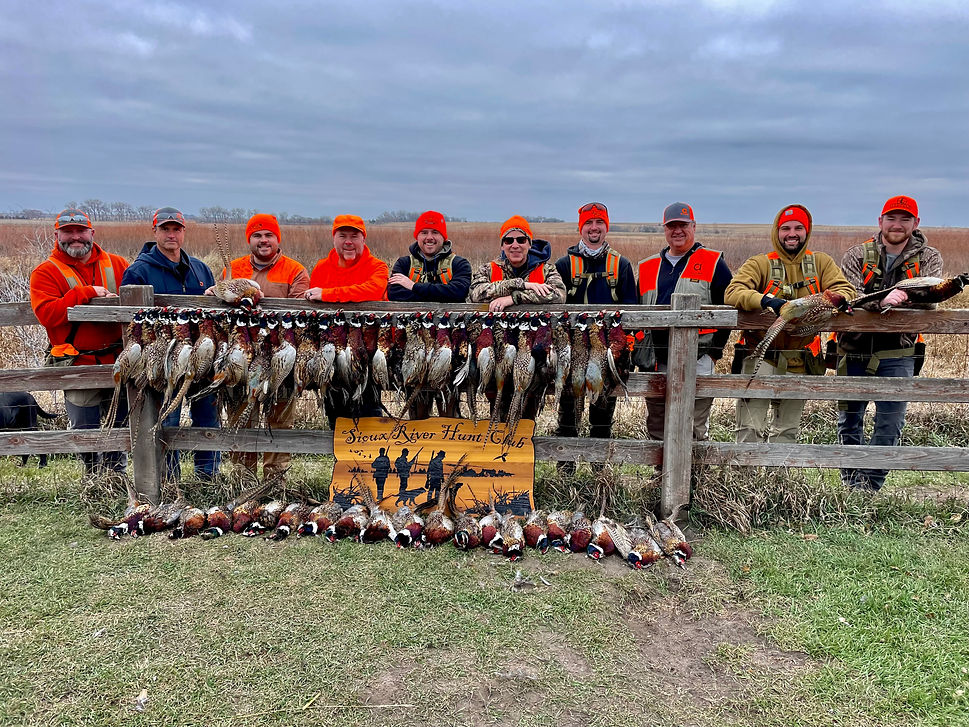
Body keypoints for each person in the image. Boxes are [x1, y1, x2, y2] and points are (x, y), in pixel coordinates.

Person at [836, 196, 942, 491]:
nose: (897, 225)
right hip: (852, 351)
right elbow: (850, 296)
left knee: (890, 423)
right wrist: (881, 300)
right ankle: (851, 484)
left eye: (905, 219)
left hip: (899, 352)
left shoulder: (929, 257)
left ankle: (870, 487)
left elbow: (933, 296)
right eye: (891, 218)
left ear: (916, 223)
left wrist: (906, 296)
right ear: (880, 221)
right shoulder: (856, 255)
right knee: (849, 419)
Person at [725, 204, 855, 443]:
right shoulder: (760, 263)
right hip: (761, 354)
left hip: (801, 356)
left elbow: (845, 290)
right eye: (785, 228)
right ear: (777, 232)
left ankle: (779, 479)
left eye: (798, 227)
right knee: (749, 428)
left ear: (807, 232)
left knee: (787, 431)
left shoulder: (821, 263)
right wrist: (768, 302)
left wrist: (820, 304)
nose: (792, 233)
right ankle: (745, 478)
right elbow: (733, 292)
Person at [121, 207, 219, 482]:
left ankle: (208, 479)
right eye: (165, 229)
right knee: (168, 422)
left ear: (184, 232)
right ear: (155, 232)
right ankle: (169, 482)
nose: (171, 235)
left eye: (177, 229)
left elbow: (213, 313)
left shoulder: (200, 269)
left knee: (208, 419)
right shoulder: (139, 271)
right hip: (164, 362)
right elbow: (131, 323)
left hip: (201, 358)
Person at [209, 213, 310, 482]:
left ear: (278, 239)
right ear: (249, 240)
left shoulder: (295, 270)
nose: (263, 240)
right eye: (257, 235)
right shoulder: (234, 268)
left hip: (279, 356)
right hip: (241, 354)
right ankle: (243, 481)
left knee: (280, 421)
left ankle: (275, 482)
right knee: (241, 416)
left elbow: (300, 315)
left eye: (269, 235)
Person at [29, 208, 129, 475]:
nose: (75, 237)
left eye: (81, 231)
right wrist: (86, 293)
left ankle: (116, 480)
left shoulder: (119, 264)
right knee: (84, 432)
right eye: (68, 232)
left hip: (119, 361)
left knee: (120, 428)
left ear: (92, 233)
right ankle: (92, 480)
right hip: (78, 363)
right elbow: (48, 315)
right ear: (57, 235)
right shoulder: (45, 272)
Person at [638, 203, 732, 442]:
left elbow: (729, 311)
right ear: (665, 229)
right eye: (671, 226)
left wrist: (714, 353)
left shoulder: (713, 262)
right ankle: (661, 478)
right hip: (656, 359)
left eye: (683, 225)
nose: (677, 231)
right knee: (658, 424)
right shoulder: (647, 266)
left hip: (698, 357)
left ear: (693, 226)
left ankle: (695, 478)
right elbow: (634, 313)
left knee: (695, 425)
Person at [554, 202, 638, 457]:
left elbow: (632, 313)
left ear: (606, 227)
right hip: (573, 353)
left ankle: (599, 475)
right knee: (568, 416)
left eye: (599, 222)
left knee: (601, 418)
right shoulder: (564, 265)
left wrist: (625, 352)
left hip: (606, 355)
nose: (594, 228)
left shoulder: (620, 265)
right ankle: (566, 472)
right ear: (581, 228)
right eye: (588, 223)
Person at [469, 216, 566, 421]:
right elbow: (476, 293)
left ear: (529, 243)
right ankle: (499, 442)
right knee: (497, 397)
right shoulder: (490, 269)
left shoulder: (546, 269)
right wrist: (521, 284)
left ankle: (523, 445)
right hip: (496, 344)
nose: (515, 245)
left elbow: (558, 294)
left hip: (533, 346)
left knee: (528, 397)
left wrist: (511, 298)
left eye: (521, 240)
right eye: (509, 240)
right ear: (502, 245)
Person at [305, 214, 388, 425]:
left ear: (363, 239)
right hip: (331, 354)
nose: (348, 242)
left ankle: (371, 458)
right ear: (334, 239)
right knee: (337, 419)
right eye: (342, 236)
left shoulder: (377, 267)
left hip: (367, 355)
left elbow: (373, 291)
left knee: (370, 415)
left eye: (354, 236)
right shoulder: (322, 268)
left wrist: (328, 295)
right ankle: (340, 457)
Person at [388, 210, 472, 418]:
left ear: (444, 237)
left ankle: (450, 448)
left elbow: (458, 292)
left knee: (448, 405)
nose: (429, 237)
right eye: (424, 232)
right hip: (412, 343)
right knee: (417, 405)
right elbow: (395, 293)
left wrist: (413, 286)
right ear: (417, 236)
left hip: (450, 343)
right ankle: (417, 446)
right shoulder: (404, 263)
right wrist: (438, 295)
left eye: (435, 232)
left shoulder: (459, 264)